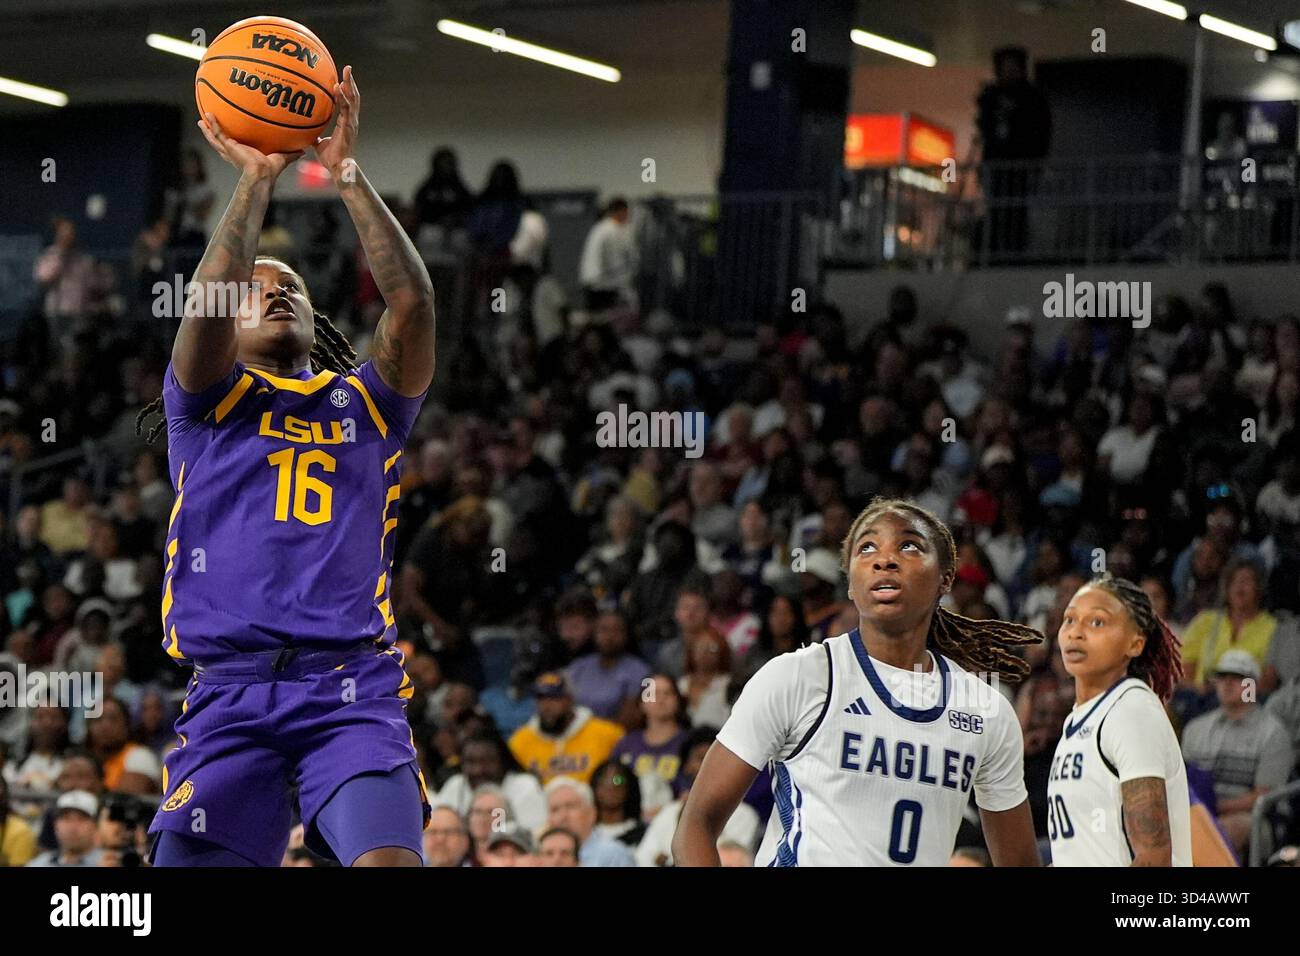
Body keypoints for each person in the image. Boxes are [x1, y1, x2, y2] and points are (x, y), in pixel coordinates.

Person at [140, 66, 437, 868]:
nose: (272, 296)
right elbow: (206, 300)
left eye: (292, 289)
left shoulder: (369, 408)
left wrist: (344, 172)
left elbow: (411, 304)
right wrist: (256, 180)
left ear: (318, 320)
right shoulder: (204, 406)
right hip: (228, 697)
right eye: (254, 290)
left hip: (348, 692)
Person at [672, 498, 1043, 866]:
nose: (884, 559)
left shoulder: (985, 709)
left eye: (909, 545)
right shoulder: (797, 677)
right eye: (866, 548)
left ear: (945, 577)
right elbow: (696, 826)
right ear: (850, 583)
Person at [1047, 575, 1192, 866]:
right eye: (1070, 620)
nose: (1075, 633)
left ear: (1135, 644)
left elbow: (1153, 857)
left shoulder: (1131, 710)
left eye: (1097, 622)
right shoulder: (1079, 719)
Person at [1181, 650, 1294, 856]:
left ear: (1253, 686)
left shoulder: (1273, 733)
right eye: (1222, 676)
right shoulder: (1195, 728)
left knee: (1223, 829)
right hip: (1196, 811)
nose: (1228, 683)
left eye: (1238, 677)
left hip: (1253, 818)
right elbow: (1182, 780)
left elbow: (1264, 796)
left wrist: (1213, 808)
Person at [636, 727, 759, 867]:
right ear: (687, 766)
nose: (708, 765)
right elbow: (643, 858)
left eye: (714, 759)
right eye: (701, 758)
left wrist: (668, 860)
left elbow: (731, 859)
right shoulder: (668, 812)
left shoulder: (744, 815)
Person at [508, 672, 624, 784]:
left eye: (554, 698)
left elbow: (621, 779)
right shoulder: (519, 741)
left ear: (570, 700)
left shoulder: (607, 734)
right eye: (541, 699)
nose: (546, 706)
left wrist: (614, 782)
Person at [610, 672, 689, 816]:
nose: (661, 699)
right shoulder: (627, 744)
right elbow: (615, 778)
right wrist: (619, 781)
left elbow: (691, 786)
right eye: (653, 694)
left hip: (674, 818)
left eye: (668, 693)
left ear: (678, 700)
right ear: (641, 703)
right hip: (632, 817)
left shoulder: (689, 743)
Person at [434, 731, 545, 833]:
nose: (478, 770)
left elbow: (531, 835)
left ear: (502, 761)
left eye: (487, 761)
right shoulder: (456, 785)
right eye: (471, 762)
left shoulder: (525, 786)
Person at [565, 610, 652, 728]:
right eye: (603, 630)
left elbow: (632, 718)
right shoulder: (578, 667)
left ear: (626, 635)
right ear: (594, 634)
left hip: (615, 737)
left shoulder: (640, 671)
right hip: (574, 734)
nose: (609, 636)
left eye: (616, 630)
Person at [544, 776, 635, 867]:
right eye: (555, 809)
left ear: (592, 813)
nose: (563, 816)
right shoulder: (541, 855)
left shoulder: (614, 854)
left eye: (570, 806)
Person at [578, 197, 637, 312]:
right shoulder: (613, 230)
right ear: (621, 211)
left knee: (596, 321)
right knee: (609, 322)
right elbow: (615, 261)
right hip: (606, 285)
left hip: (594, 283)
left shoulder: (600, 228)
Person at [25, 790, 103, 867]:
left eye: (81, 819)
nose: (72, 827)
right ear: (56, 824)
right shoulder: (39, 863)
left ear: (95, 825)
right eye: (66, 819)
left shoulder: (109, 862)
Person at [413, 147, 472, 234]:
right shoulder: (428, 187)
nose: (445, 167)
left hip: (456, 227)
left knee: (461, 238)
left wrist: (453, 219)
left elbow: (467, 206)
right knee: (429, 235)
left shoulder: (459, 187)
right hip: (432, 226)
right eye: (442, 163)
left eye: (448, 163)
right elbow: (420, 206)